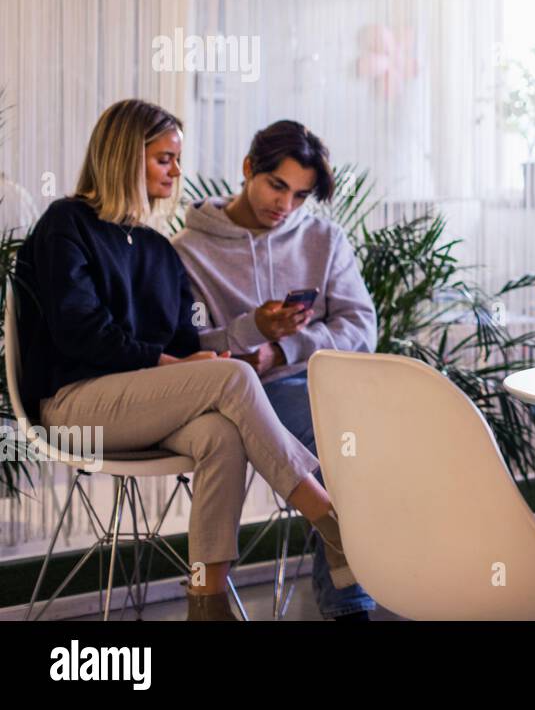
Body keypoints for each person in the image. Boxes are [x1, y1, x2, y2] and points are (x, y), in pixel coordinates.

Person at [13, 100, 355, 621]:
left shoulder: (156, 247)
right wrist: (172, 365)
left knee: (221, 434)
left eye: (177, 159)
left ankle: (206, 601)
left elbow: (183, 342)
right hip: (76, 404)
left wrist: (224, 346)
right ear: (125, 156)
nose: (177, 171)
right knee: (234, 378)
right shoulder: (68, 223)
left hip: (144, 406)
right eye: (164, 159)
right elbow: (80, 331)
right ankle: (329, 518)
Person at [173, 120, 378, 621]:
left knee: (398, 434)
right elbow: (184, 348)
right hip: (250, 397)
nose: (285, 205)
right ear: (249, 170)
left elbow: (362, 327)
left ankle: (428, 580)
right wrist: (252, 330)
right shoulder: (189, 251)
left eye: (300, 195)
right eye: (276, 185)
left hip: (323, 382)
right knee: (338, 442)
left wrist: (285, 349)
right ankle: (351, 609)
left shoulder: (323, 238)